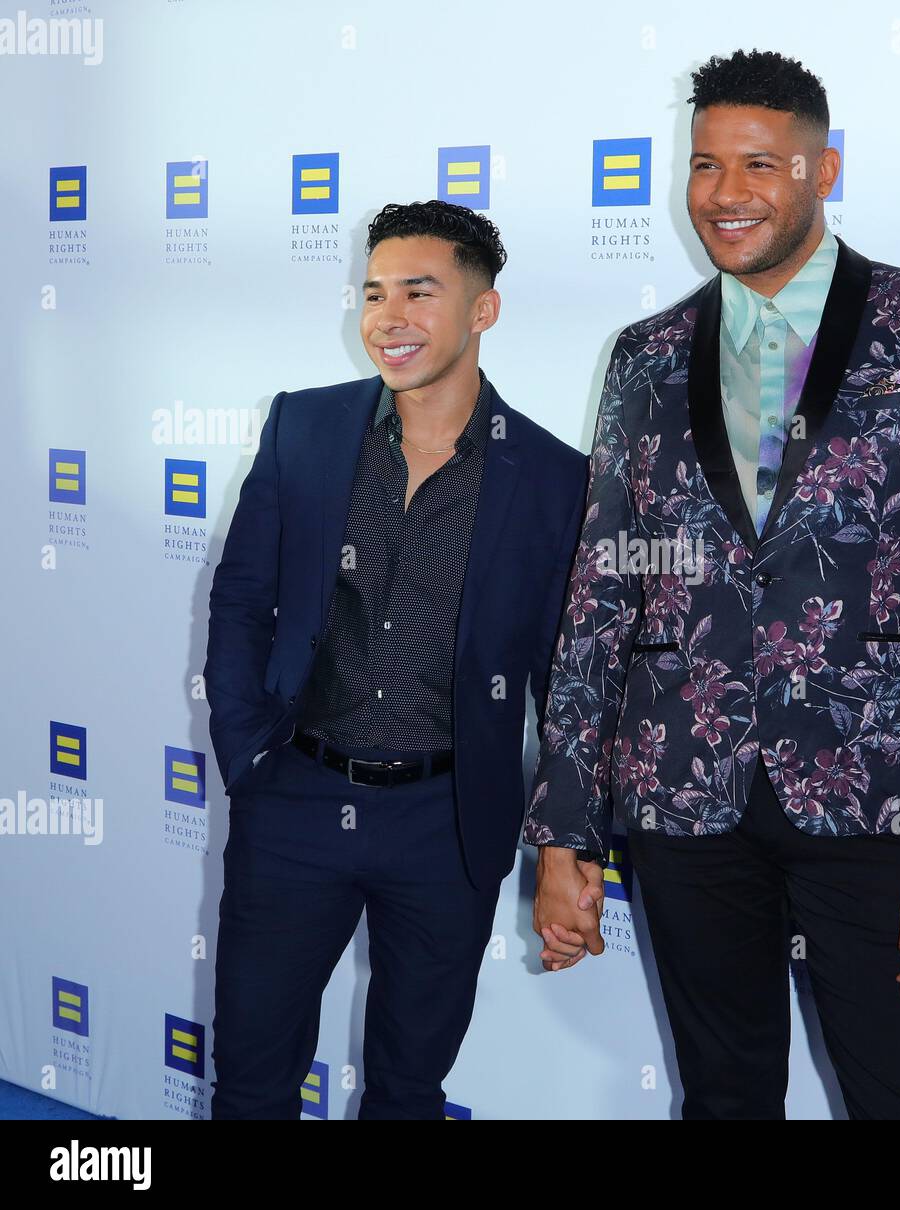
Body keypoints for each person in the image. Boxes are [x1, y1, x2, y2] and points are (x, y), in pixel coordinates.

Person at [526, 49, 900, 1120]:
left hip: (882, 798)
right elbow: (601, 596)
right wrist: (565, 826)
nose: (724, 194)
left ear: (823, 169)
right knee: (722, 1094)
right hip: (682, 796)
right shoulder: (647, 355)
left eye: (758, 164)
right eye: (706, 165)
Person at [205, 200, 587, 1118]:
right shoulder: (304, 429)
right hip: (295, 798)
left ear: (482, 310)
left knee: (409, 1089)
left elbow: (564, 678)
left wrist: (569, 841)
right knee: (254, 1079)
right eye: (375, 293)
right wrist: (246, 751)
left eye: (420, 291)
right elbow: (238, 600)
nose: (389, 317)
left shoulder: (552, 476)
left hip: (446, 822)